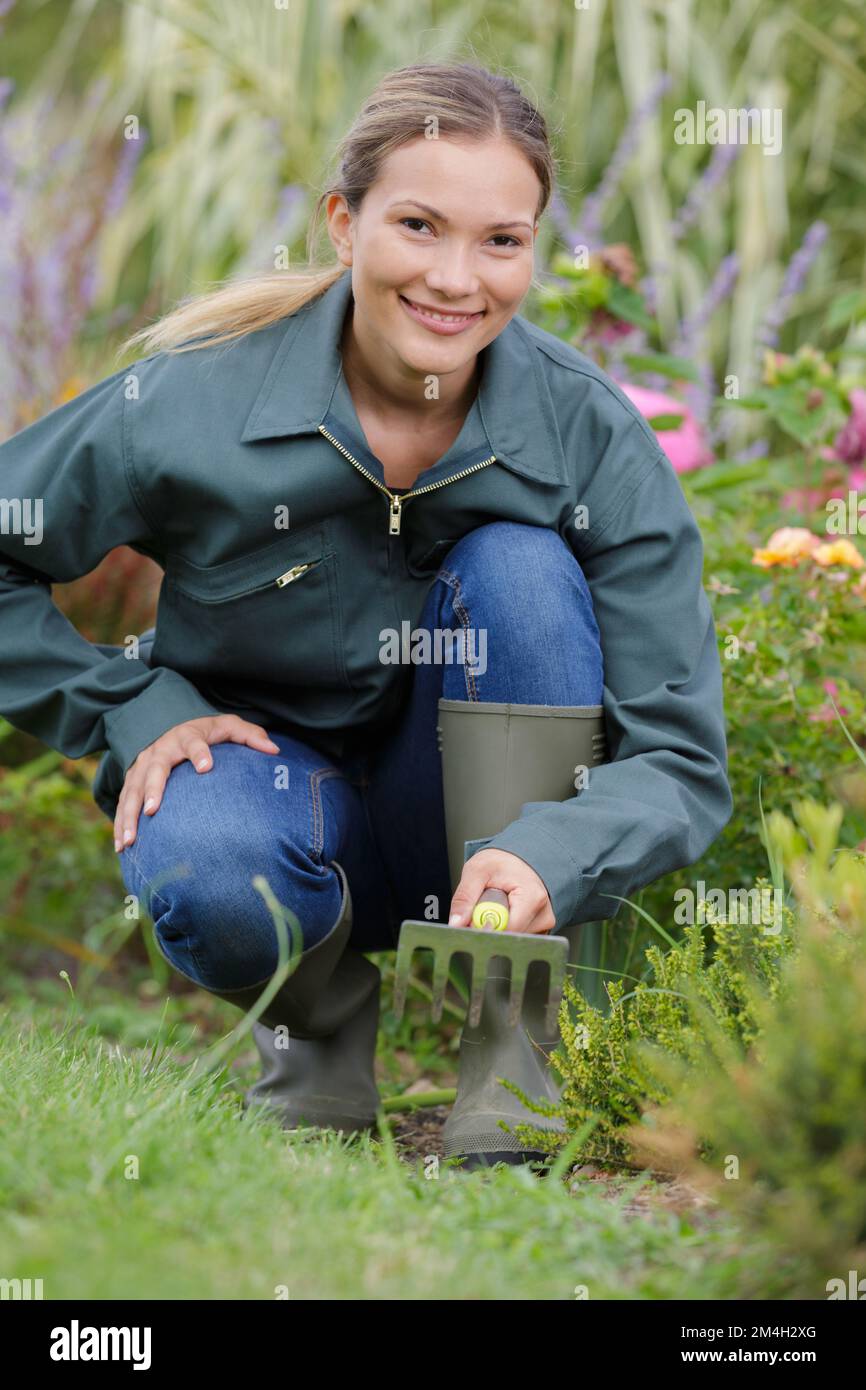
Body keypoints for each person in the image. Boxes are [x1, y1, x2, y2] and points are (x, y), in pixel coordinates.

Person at [0, 61, 732, 1170]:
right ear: (342, 225)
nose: (456, 278)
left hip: (482, 833)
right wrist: (126, 703)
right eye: (418, 225)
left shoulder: (584, 436)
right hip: (274, 795)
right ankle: (317, 1044)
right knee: (206, 854)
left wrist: (557, 847)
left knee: (523, 570)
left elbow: (679, 751)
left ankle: (511, 1050)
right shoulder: (193, 401)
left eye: (500, 240)